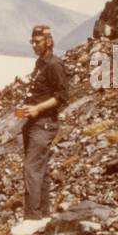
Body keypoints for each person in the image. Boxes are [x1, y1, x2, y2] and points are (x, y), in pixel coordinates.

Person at [14, 24, 70, 220]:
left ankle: (31, 217)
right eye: (32, 42)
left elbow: (63, 96)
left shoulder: (55, 64)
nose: (34, 45)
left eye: (37, 42)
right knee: (41, 169)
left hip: (44, 123)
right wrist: (28, 107)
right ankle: (43, 214)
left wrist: (37, 108)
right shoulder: (41, 64)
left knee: (31, 168)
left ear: (48, 41)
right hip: (34, 122)